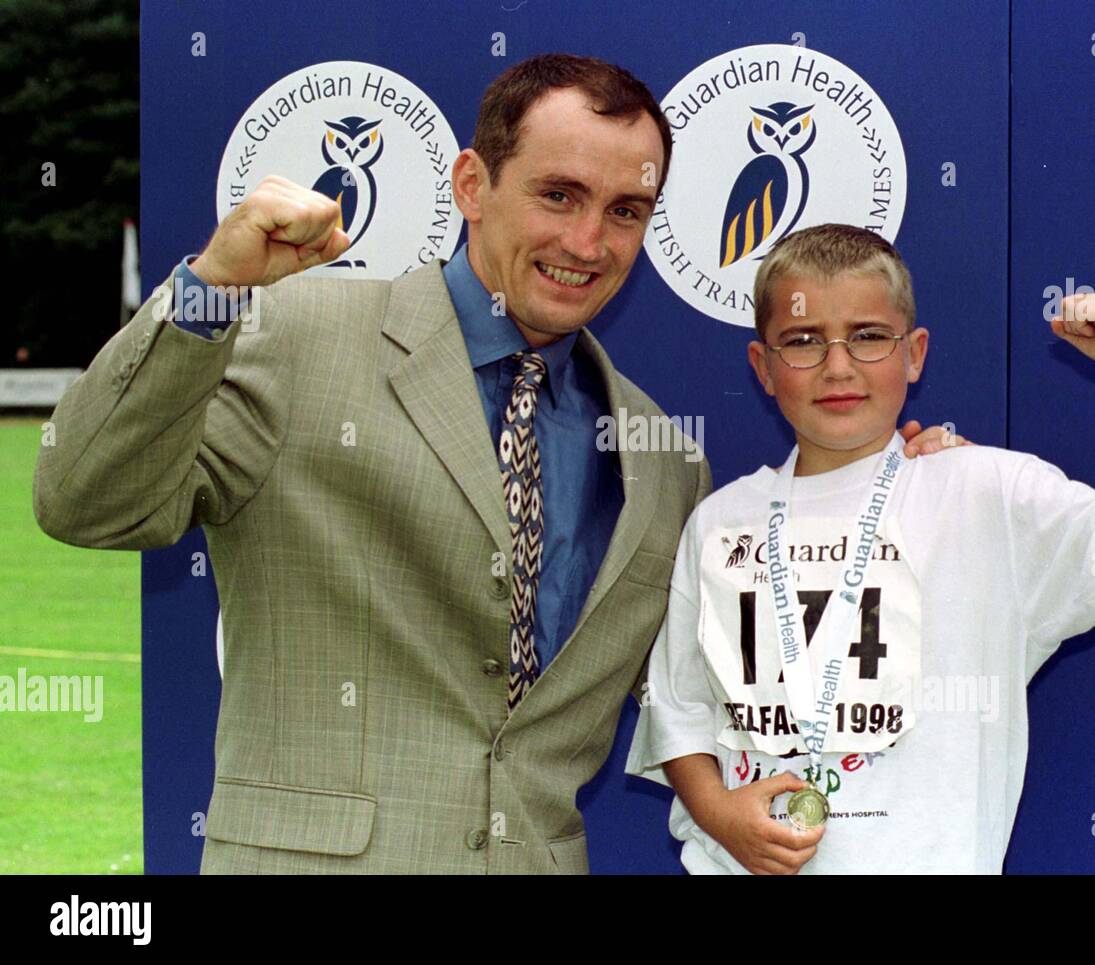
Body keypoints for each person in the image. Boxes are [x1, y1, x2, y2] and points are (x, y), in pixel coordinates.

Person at [30, 54, 965, 873]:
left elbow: (733, 669)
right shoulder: (293, 335)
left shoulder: (661, 462)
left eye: (626, 210)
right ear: (472, 182)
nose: (587, 243)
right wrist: (208, 291)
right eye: (558, 194)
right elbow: (86, 501)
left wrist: (902, 485)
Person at [626, 223, 1095, 874]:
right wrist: (721, 814)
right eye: (803, 341)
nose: (838, 366)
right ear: (763, 367)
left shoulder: (985, 493)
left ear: (914, 353)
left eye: (868, 337)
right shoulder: (721, 523)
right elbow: (681, 708)